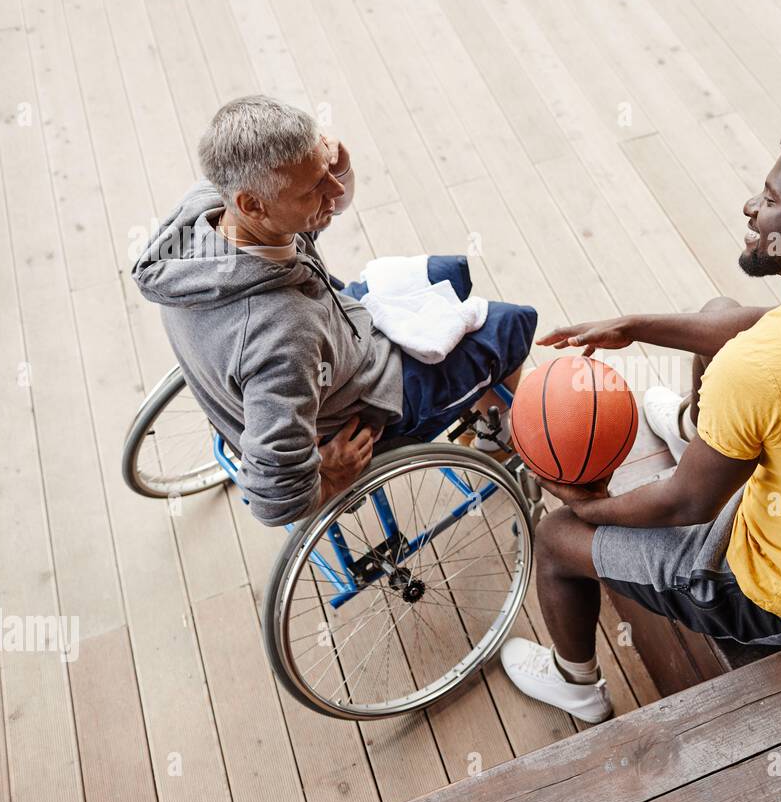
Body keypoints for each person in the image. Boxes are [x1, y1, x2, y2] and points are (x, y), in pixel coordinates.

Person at [498, 123, 781, 725]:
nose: (751, 207)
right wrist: (636, 325)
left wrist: (584, 506)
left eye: (772, 200)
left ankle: (576, 684)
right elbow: (762, 331)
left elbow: (684, 505)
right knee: (719, 315)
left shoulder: (762, 370)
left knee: (555, 538)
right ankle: (705, 436)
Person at [132, 95, 537, 527]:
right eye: (314, 188)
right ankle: (495, 438)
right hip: (365, 399)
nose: (337, 190)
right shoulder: (283, 335)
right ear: (252, 204)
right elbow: (276, 505)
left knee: (451, 271)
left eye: (326, 170)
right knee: (510, 325)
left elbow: (319, 212)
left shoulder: (204, 212)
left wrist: (332, 169)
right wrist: (331, 475)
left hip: (334, 335)